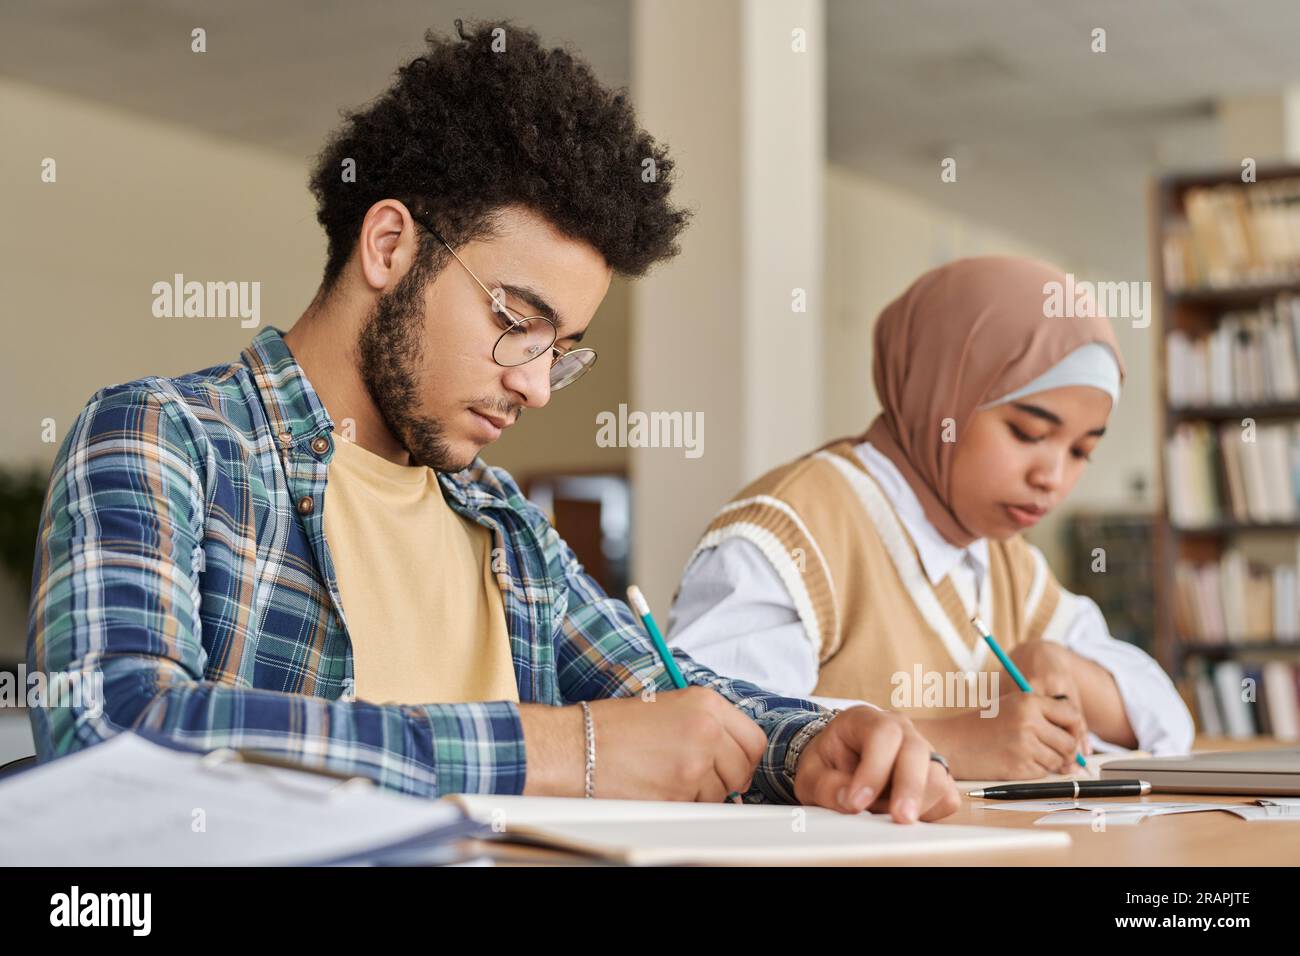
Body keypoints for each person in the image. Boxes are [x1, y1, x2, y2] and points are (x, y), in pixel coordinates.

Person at [28, 20, 957, 821]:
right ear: (389, 246)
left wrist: (820, 743)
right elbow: (113, 731)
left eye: (563, 347)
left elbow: (667, 693)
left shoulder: (503, 525)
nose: (540, 386)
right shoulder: (164, 440)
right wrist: (566, 751)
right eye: (518, 323)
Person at [669, 256, 1194, 780]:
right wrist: (957, 743)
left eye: (1081, 451)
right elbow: (709, 732)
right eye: (1028, 434)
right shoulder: (791, 533)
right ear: (943, 393)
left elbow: (1167, 720)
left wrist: (1064, 668)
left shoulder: (1006, 561)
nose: (1052, 477)